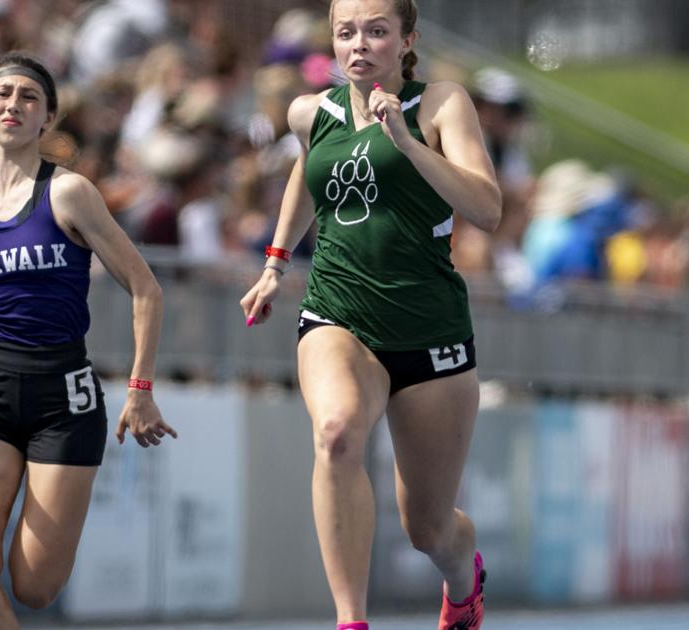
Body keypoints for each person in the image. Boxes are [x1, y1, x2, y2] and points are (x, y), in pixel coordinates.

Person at [238, 2, 499, 629]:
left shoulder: (439, 104)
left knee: (430, 530)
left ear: (407, 39)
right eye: (346, 32)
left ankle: (465, 582)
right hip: (338, 312)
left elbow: (487, 208)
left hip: (428, 330)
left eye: (377, 32)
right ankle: (351, 620)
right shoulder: (312, 111)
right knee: (336, 432)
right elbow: (311, 167)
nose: (360, 45)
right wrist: (276, 261)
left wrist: (405, 143)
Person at [0, 52, 174, 629]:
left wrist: (141, 387)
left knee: (34, 587)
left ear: (47, 118)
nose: (14, 105)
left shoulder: (70, 194)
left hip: (63, 403)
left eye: (29, 97)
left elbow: (147, 290)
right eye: (2, 94)